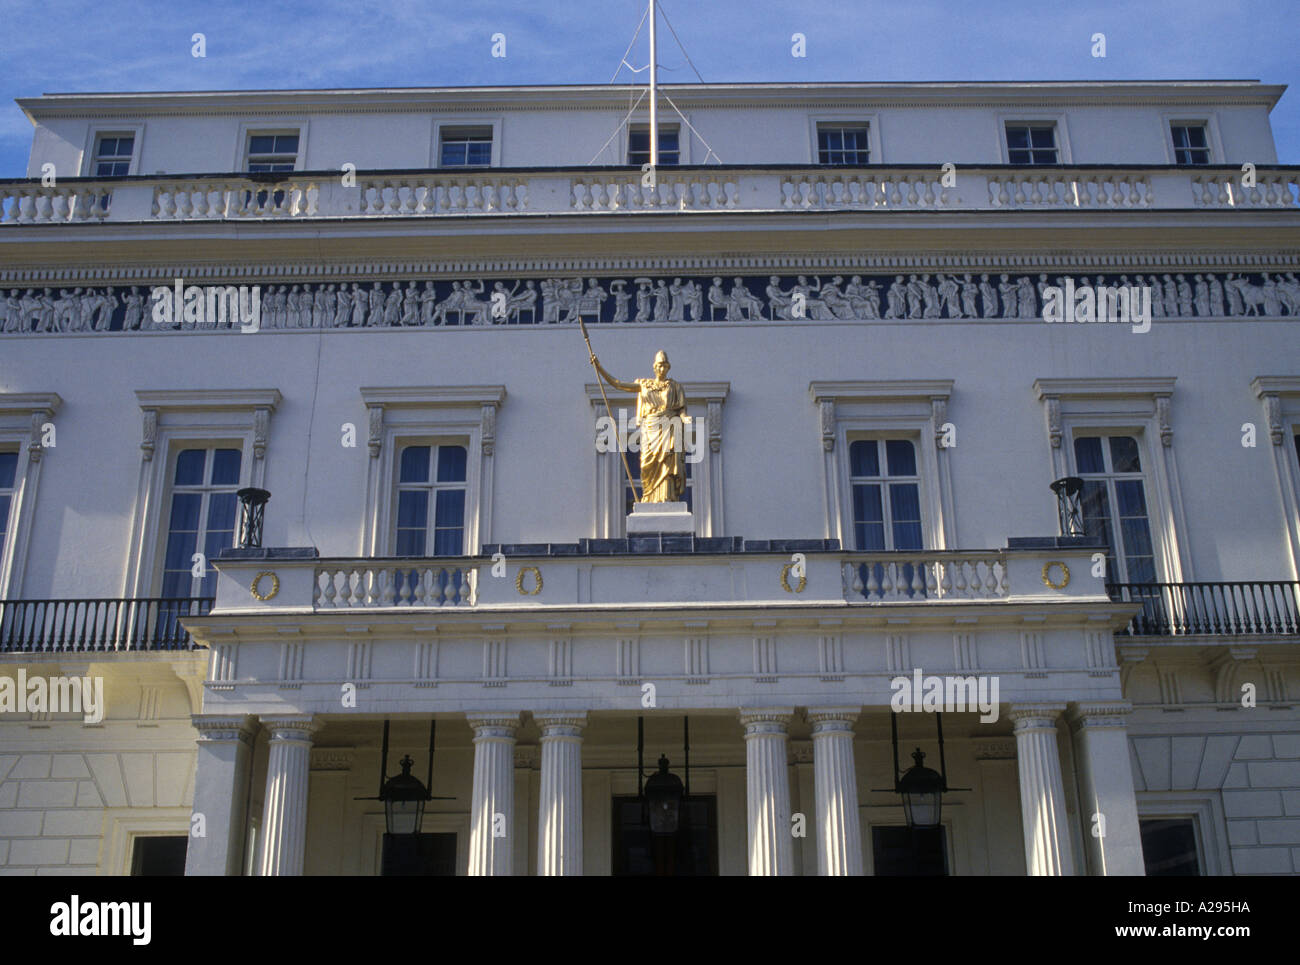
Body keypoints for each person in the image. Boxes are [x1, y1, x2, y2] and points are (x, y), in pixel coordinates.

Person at [590, 349, 686, 504]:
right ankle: (649, 497)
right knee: (646, 464)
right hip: (650, 427)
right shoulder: (644, 385)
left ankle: (668, 497)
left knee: (667, 464)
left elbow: (681, 409)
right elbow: (618, 384)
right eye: (660, 365)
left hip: (669, 426)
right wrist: (599, 368)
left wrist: (684, 418)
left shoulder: (674, 386)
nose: (662, 369)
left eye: (665, 366)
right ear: (654, 367)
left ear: (668, 367)